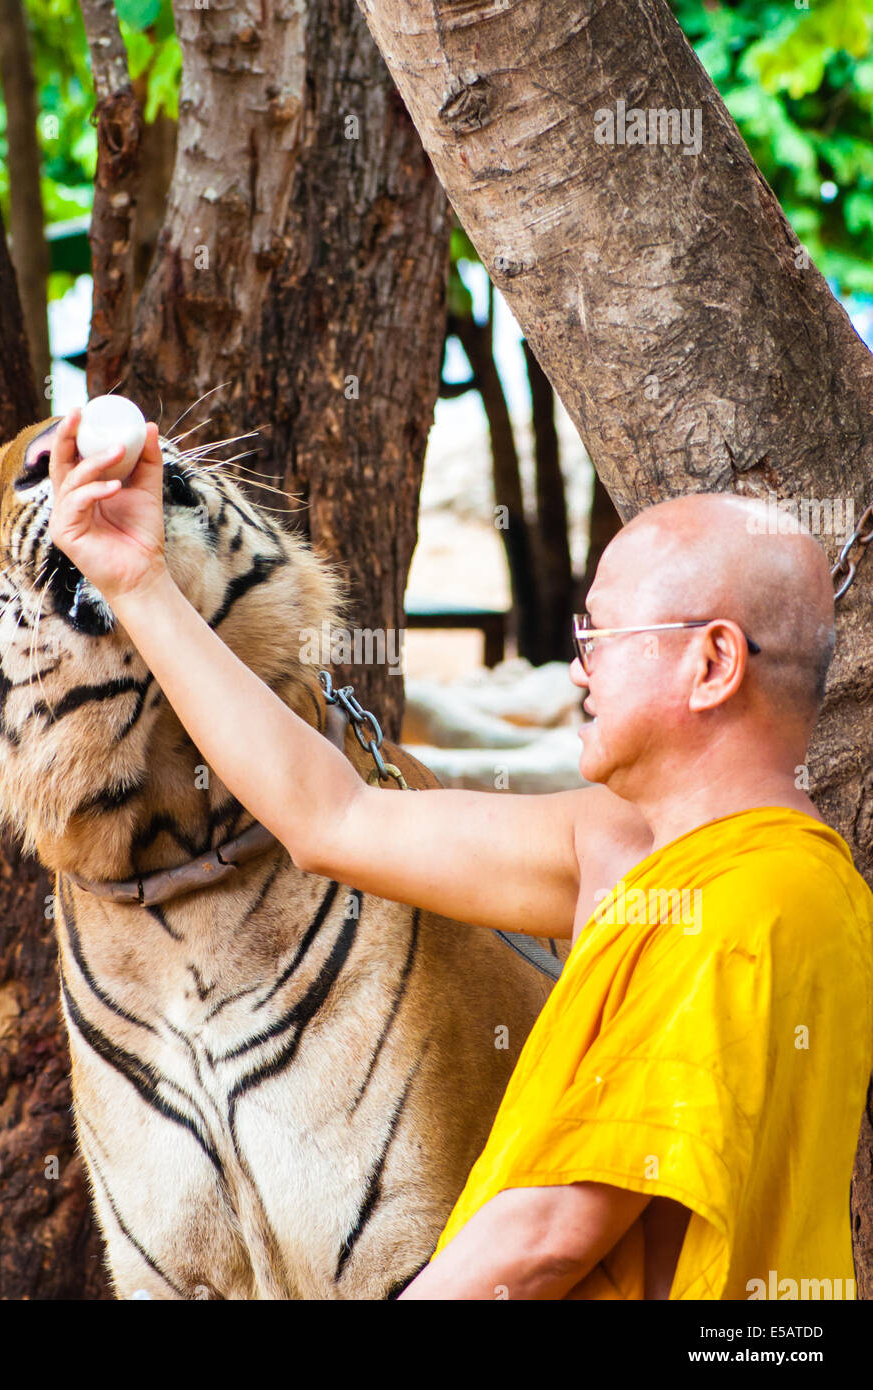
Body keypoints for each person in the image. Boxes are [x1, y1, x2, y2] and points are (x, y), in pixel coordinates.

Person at [47, 410, 873, 1300]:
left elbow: (548, 1235)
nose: (578, 670)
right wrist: (135, 582)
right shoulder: (622, 848)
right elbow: (333, 819)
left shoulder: (751, 900)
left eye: (602, 636)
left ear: (713, 664)